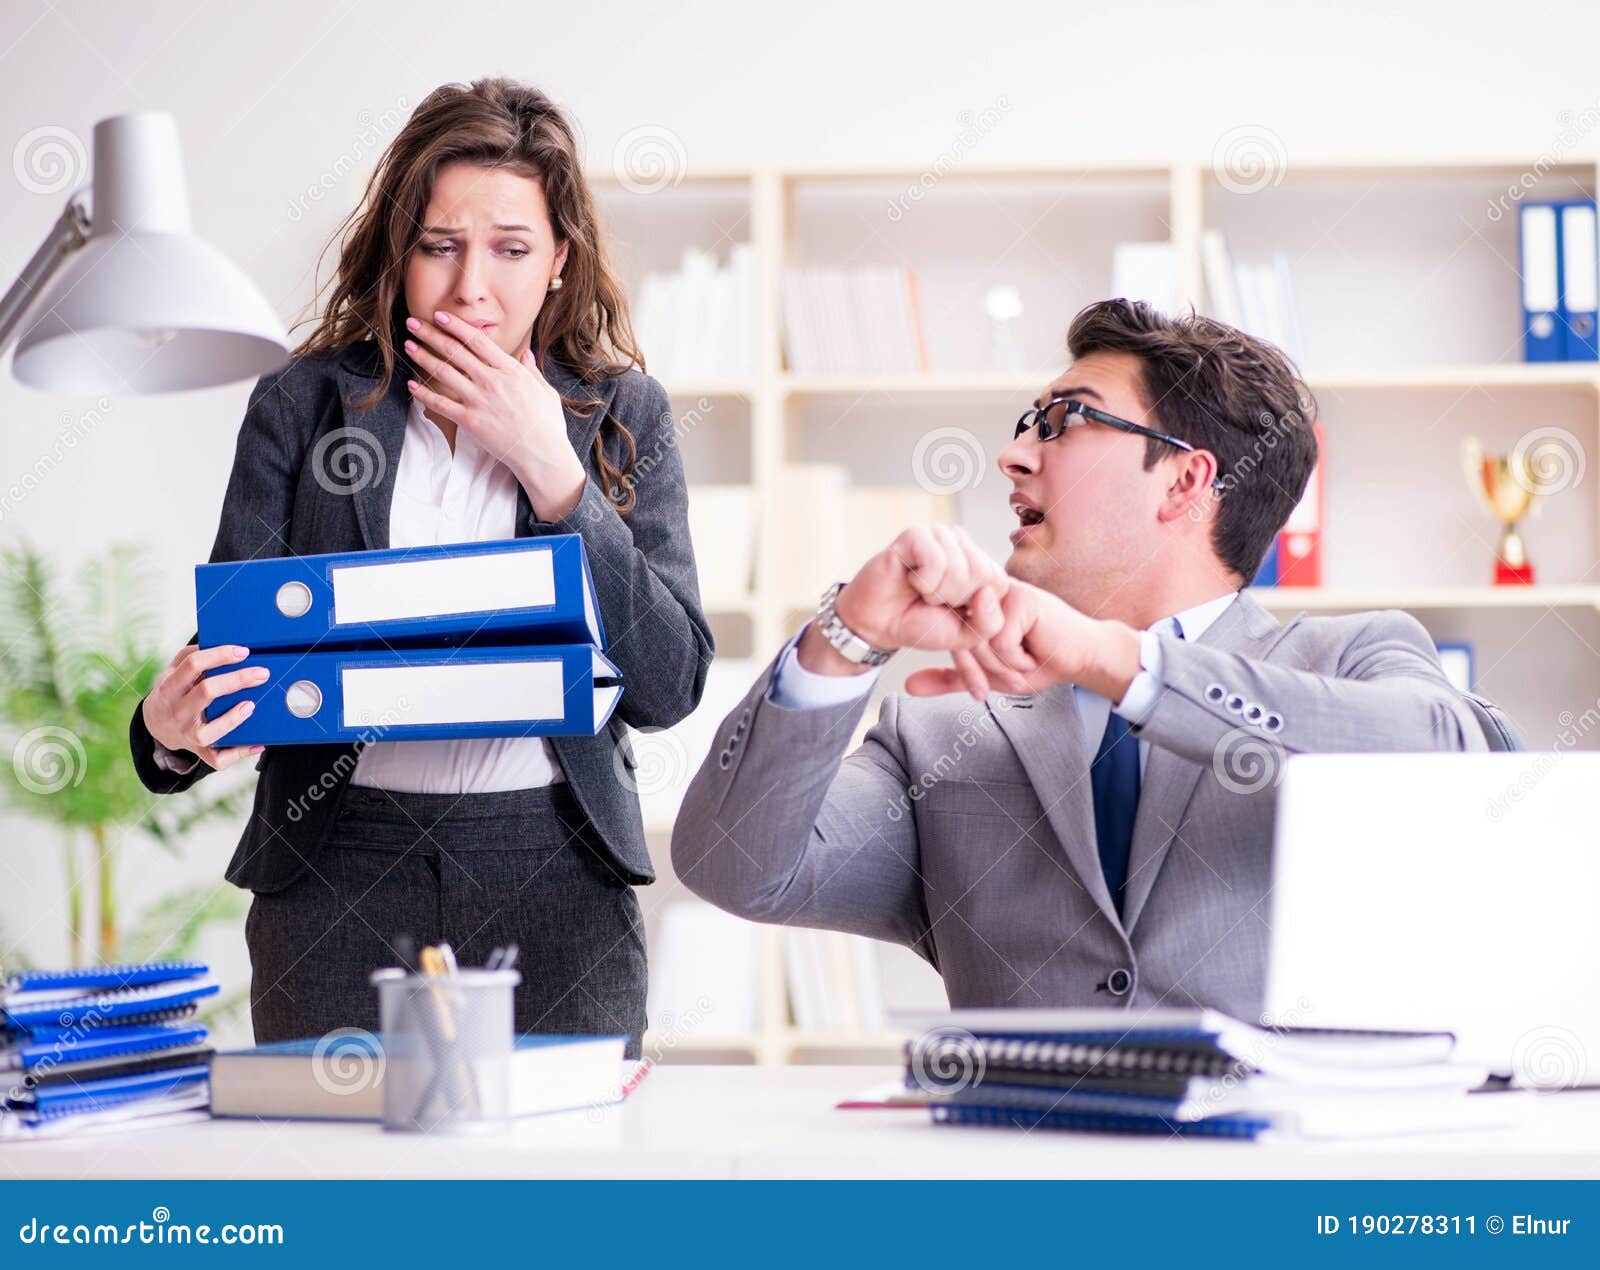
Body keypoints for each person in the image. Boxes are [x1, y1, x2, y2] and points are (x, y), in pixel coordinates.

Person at [671, 298, 1486, 1019]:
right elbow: (735, 866)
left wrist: (1113, 659)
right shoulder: (944, 723)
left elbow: (1448, 758)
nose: (1015, 455)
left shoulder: (1345, 656)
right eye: (1027, 424)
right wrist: (845, 639)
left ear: (1183, 481)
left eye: (1063, 421)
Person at [129, 79, 712, 1058]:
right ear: (397, 253)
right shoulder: (302, 402)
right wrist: (170, 730)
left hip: (555, 868)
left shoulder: (625, 415)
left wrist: (553, 470)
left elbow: (667, 684)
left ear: (561, 260)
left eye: (511, 249)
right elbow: (234, 649)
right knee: (333, 1185)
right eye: (438, 245)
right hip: (335, 865)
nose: (471, 286)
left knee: (563, 1195)